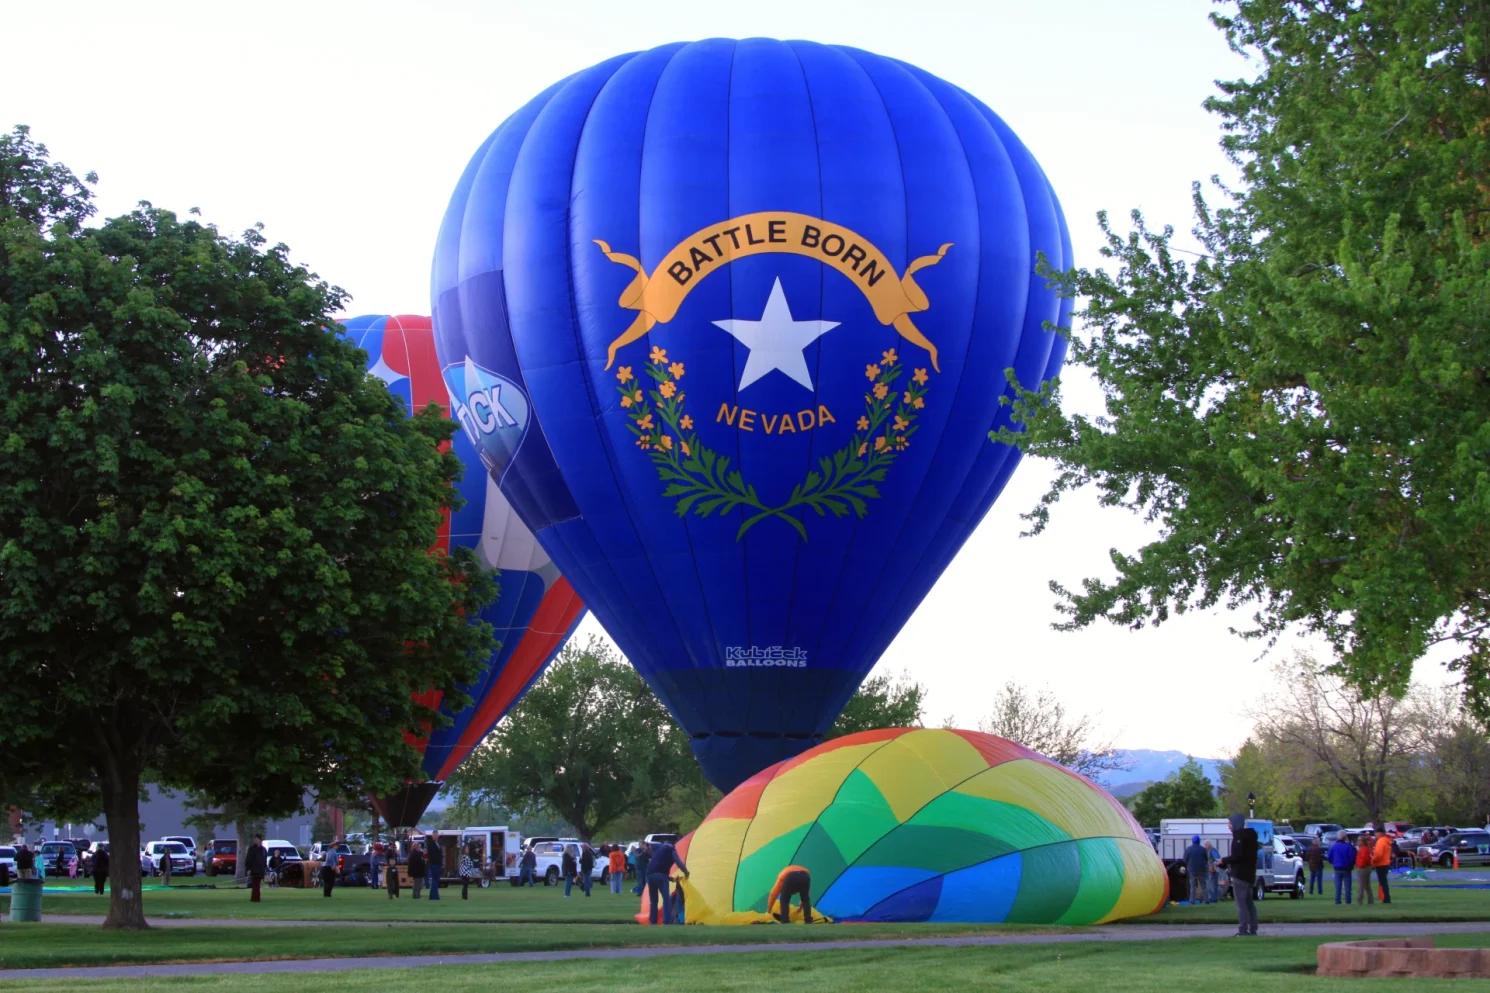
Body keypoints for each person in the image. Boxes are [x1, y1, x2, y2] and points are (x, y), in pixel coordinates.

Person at [1218, 813, 1258, 936]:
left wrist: (1223, 860)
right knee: (1249, 903)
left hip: (1240, 875)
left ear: (1235, 824)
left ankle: (1243, 929)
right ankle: (1253, 929)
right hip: (1250, 874)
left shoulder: (1239, 837)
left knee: (1241, 904)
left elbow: (1237, 856)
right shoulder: (1251, 837)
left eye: (1230, 824)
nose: (1229, 826)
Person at [645, 841, 689, 926]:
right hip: (661, 876)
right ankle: (666, 922)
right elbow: (679, 862)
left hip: (649, 876)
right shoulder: (671, 850)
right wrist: (686, 873)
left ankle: (652, 922)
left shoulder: (658, 851)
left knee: (654, 901)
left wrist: (671, 879)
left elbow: (656, 869)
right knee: (667, 899)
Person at [1327, 833, 1355, 904]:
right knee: (1347, 886)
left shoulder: (1334, 847)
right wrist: (1351, 864)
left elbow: (1329, 857)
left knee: (1338, 886)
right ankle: (1348, 900)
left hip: (1337, 868)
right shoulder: (1348, 847)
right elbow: (1352, 858)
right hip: (1347, 868)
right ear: (1344, 838)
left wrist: (1334, 862)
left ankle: (1337, 900)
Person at [1183, 834, 1208, 903]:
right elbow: (1206, 859)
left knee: (1193, 885)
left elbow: (1185, 859)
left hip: (1192, 869)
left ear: (1192, 841)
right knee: (1203, 885)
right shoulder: (1203, 849)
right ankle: (1206, 900)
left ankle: (1192, 900)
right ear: (1199, 841)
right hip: (1202, 869)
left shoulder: (1188, 849)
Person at [1372, 826, 1393, 904]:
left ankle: (1386, 898)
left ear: (1380, 833)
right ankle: (1386, 897)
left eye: (1376, 833)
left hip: (1381, 864)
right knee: (1384, 882)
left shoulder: (1380, 841)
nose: (1375, 835)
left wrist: (1373, 860)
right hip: (1386, 863)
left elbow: (1378, 854)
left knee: (1383, 882)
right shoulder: (1386, 841)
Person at [245, 835, 267, 902]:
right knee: (255, 884)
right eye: (255, 839)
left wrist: (265, 869)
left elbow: (264, 860)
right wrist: (248, 869)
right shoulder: (251, 849)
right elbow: (248, 859)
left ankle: (256, 898)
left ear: (260, 840)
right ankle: (255, 898)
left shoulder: (263, 849)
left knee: (257, 884)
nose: (256, 840)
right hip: (254, 869)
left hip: (260, 870)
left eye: (257, 839)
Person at [1354, 835, 1374, 905]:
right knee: (1367, 885)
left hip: (1363, 868)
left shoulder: (1364, 849)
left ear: (1363, 841)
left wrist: (1359, 865)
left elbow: (1364, 859)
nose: (1358, 842)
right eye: (1358, 840)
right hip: (1366, 867)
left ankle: (1360, 900)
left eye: (1360, 840)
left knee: (1361, 885)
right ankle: (1370, 900)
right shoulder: (1363, 848)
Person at [426, 833, 443, 901]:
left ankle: (432, 895)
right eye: (434, 835)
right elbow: (432, 855)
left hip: (438, 864)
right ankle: (435, 896)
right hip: (434, 864)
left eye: (437, 835)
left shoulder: (437, 844)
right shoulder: (431, 844)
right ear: (432, 836)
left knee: (435, 880)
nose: (436, 836)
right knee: (435, 880)